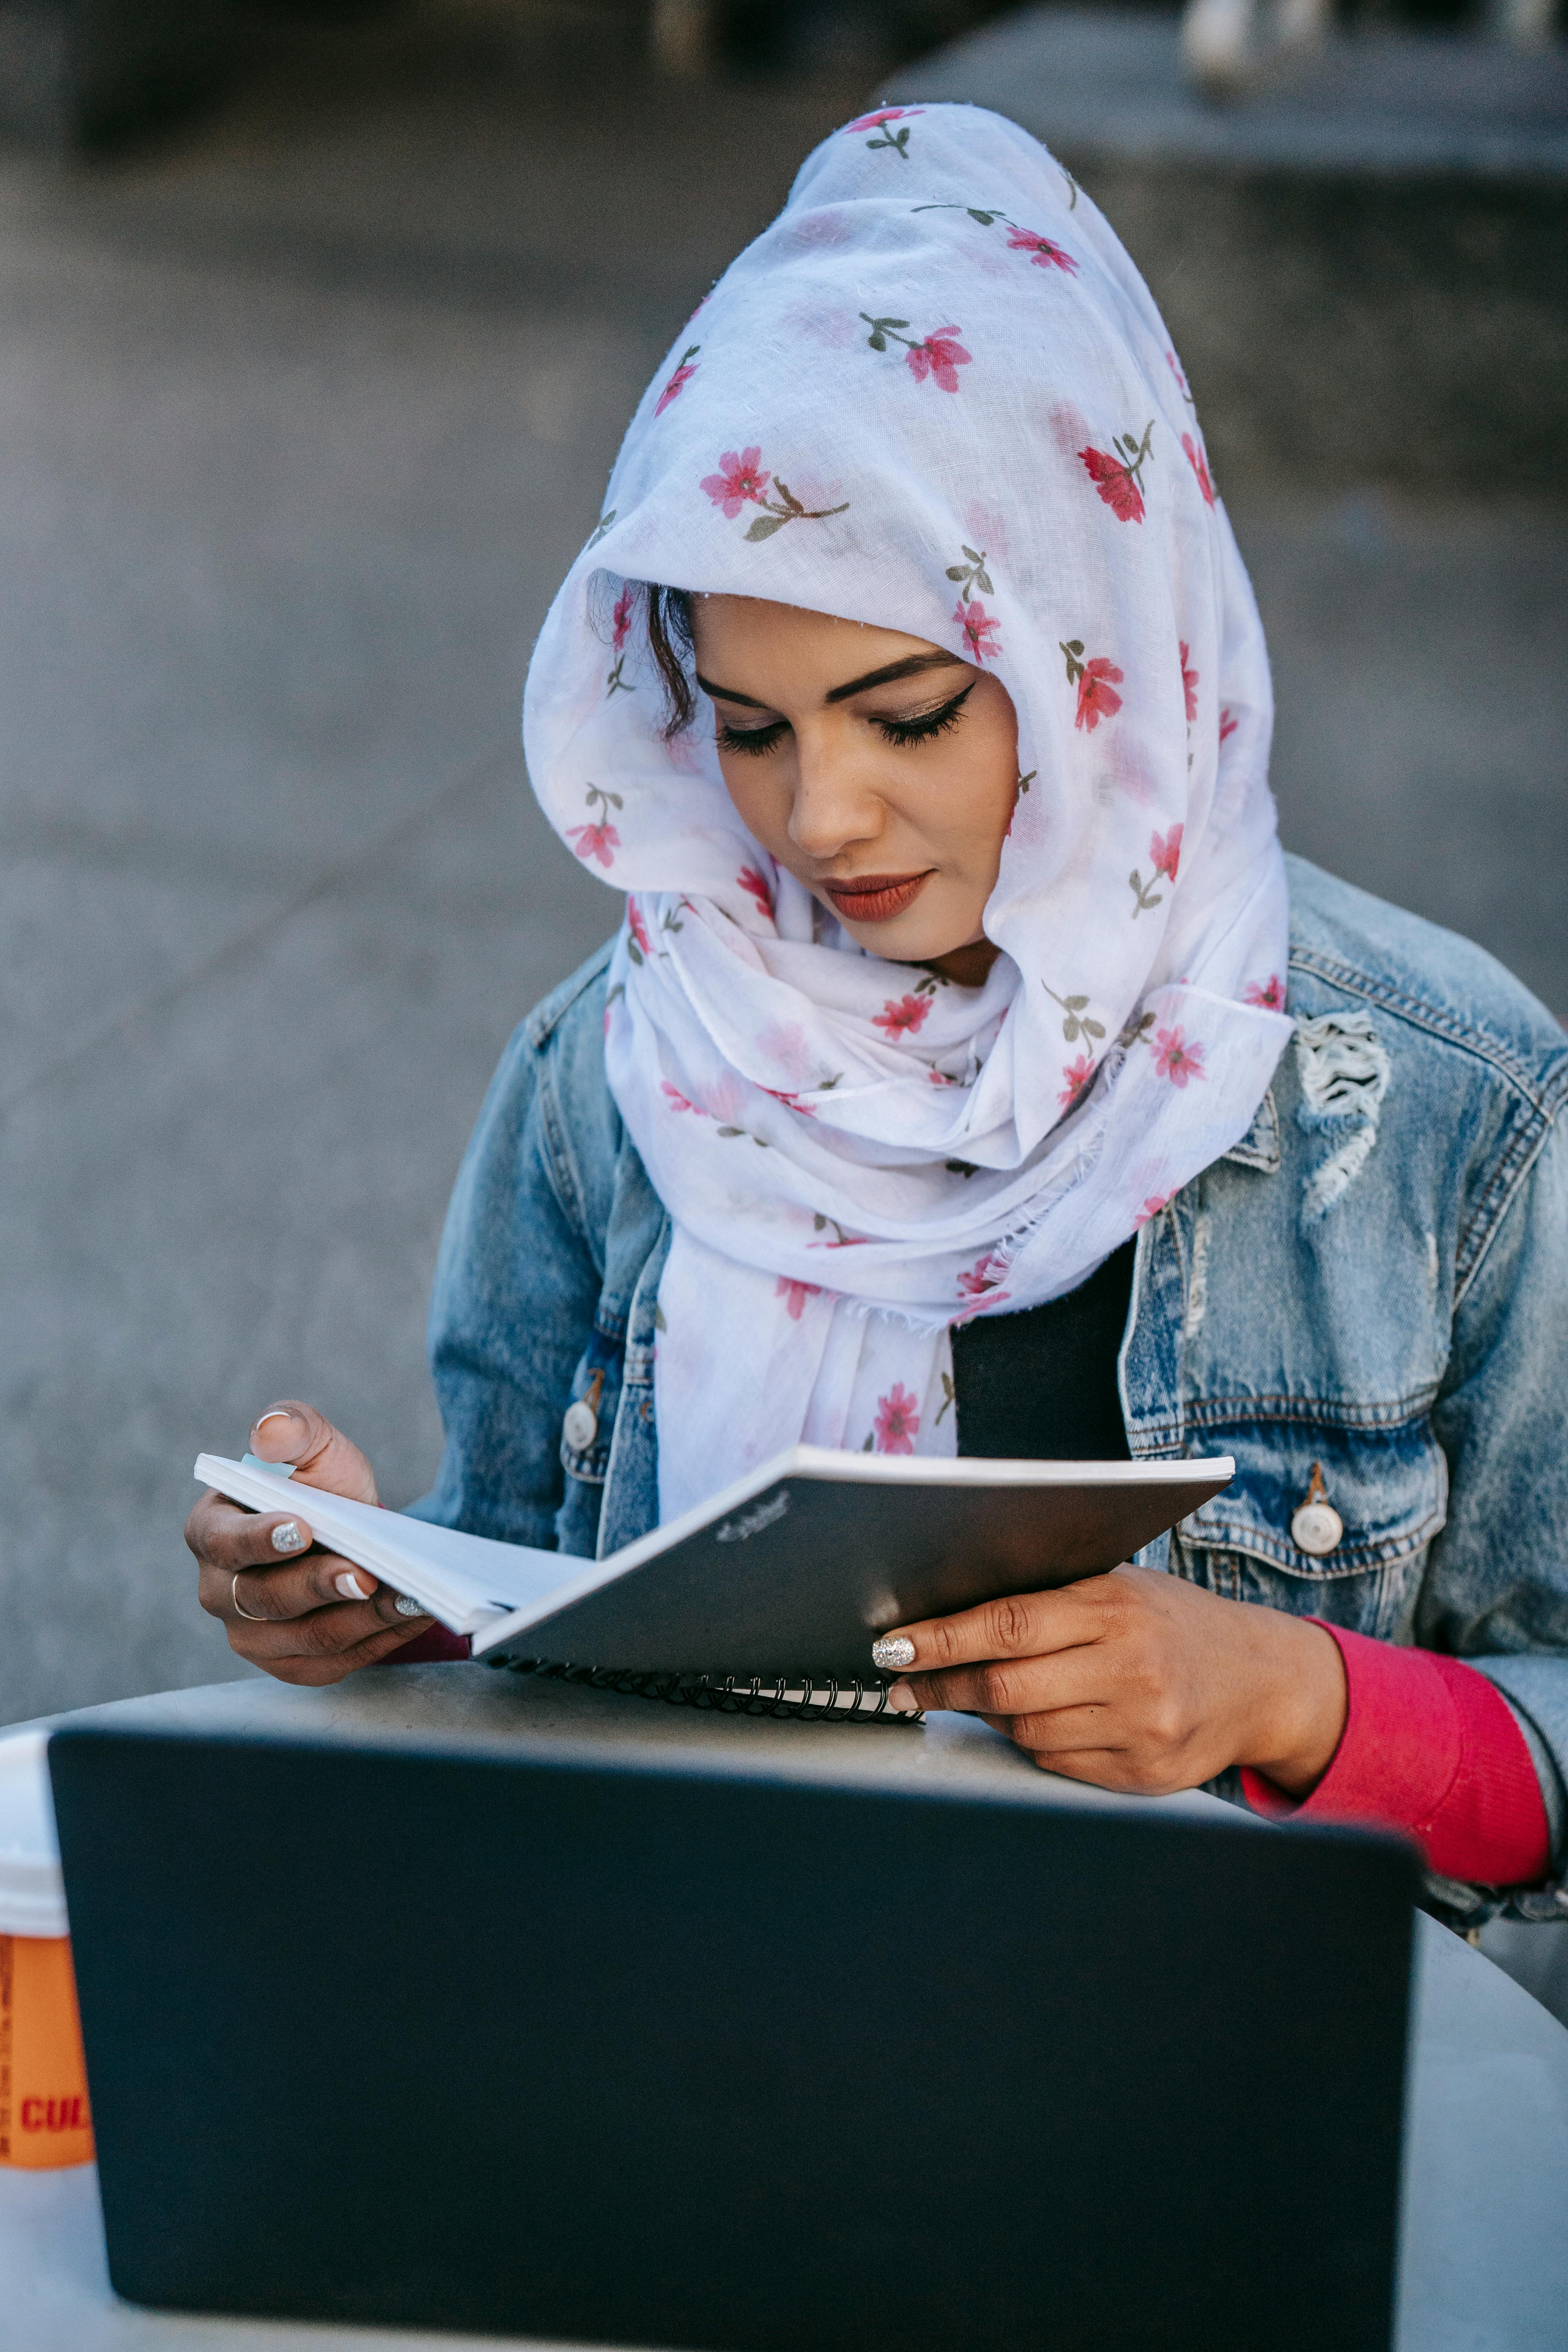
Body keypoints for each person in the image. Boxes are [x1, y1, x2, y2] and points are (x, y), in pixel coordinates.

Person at [187, 103, 1568, 1907]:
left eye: (906, 715)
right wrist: (373, 1606)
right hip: (713, 2023)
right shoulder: (620, 1071)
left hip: (1212, 2061)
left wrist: (1292, 1697)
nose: (819, 818)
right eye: (747, 728)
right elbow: (519, 1643)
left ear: (1097, 651)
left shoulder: (1443, 1110)